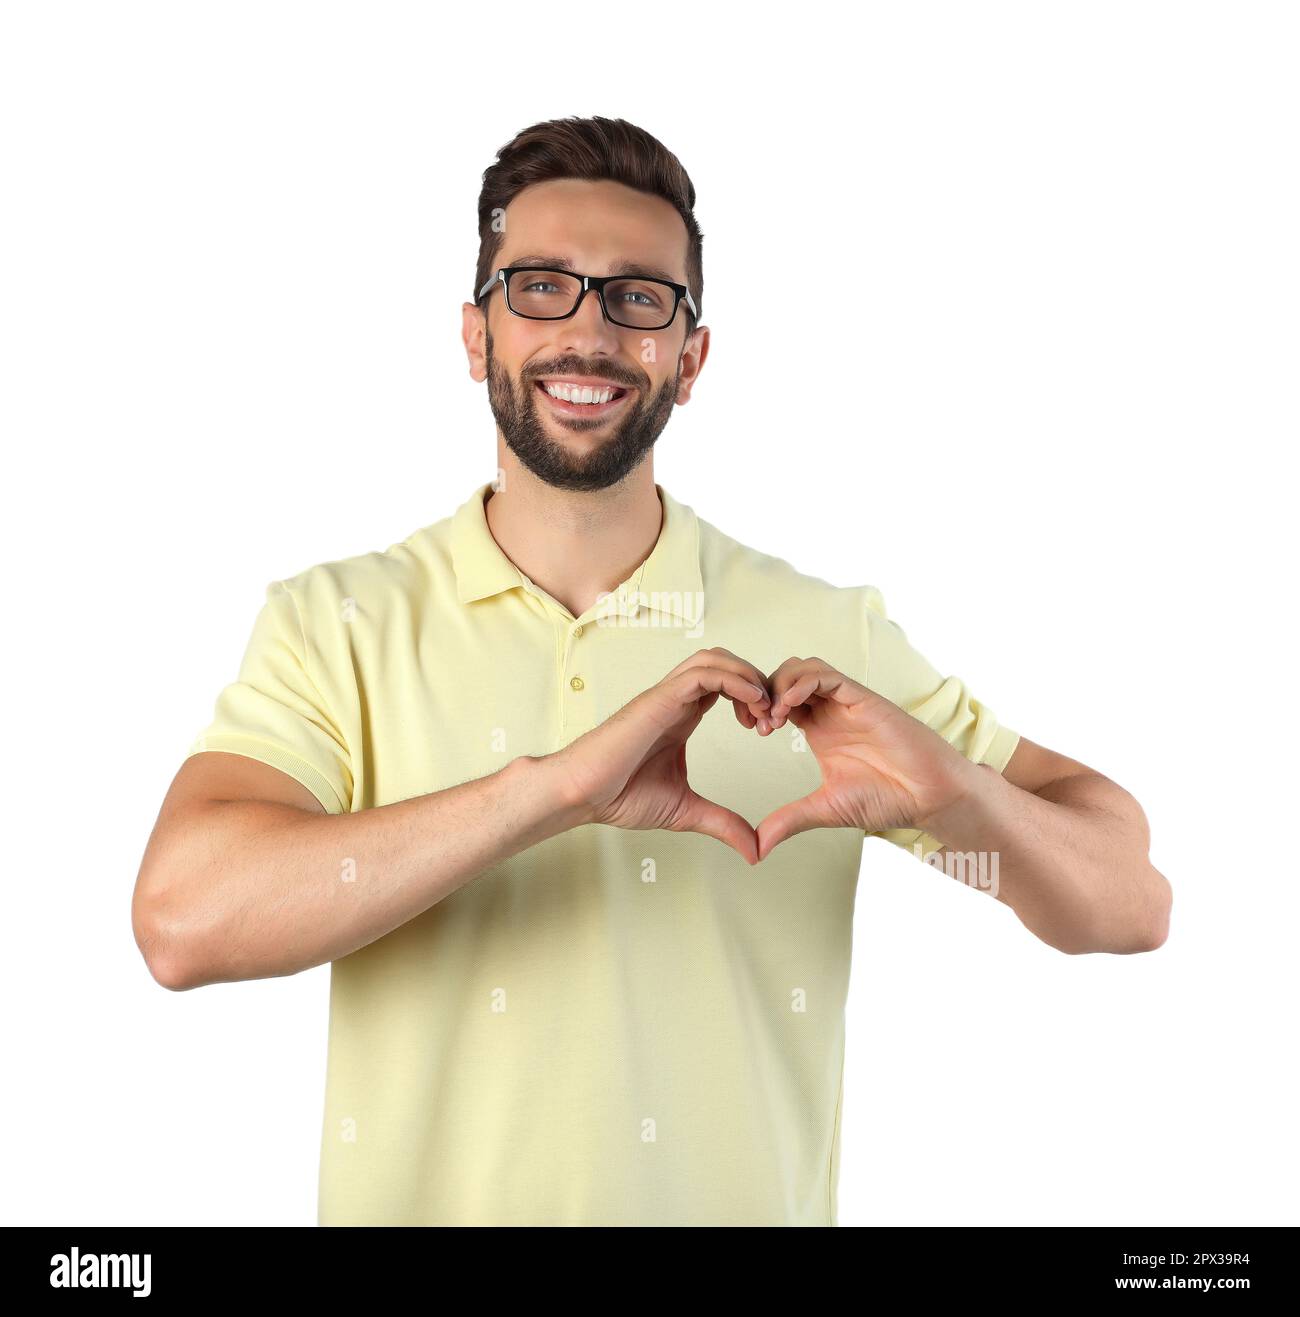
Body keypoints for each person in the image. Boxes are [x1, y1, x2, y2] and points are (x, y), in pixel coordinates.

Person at [132, 115, 1172, 1227]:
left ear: (689, 359)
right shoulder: (335, 625)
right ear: (476, 337)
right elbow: (183, 925)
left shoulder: (822, 635)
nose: (587, 332)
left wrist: (958, 801)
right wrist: (552, 793)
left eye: (637, 298)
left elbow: (1125, 904)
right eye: (540, 288)